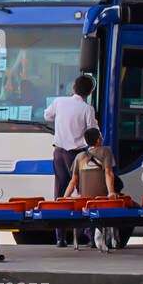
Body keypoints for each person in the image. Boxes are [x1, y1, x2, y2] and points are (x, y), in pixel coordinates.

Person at [44, 75, 99, 246]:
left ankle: (60, 237)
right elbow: (93, 132)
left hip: (59, 153)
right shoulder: (87, 109)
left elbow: (47, 116)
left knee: (60, 193)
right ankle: (89, 233)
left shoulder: (60, 102)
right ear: (90, 92)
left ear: (73, 88)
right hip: (77, 155)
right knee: (83, 192)